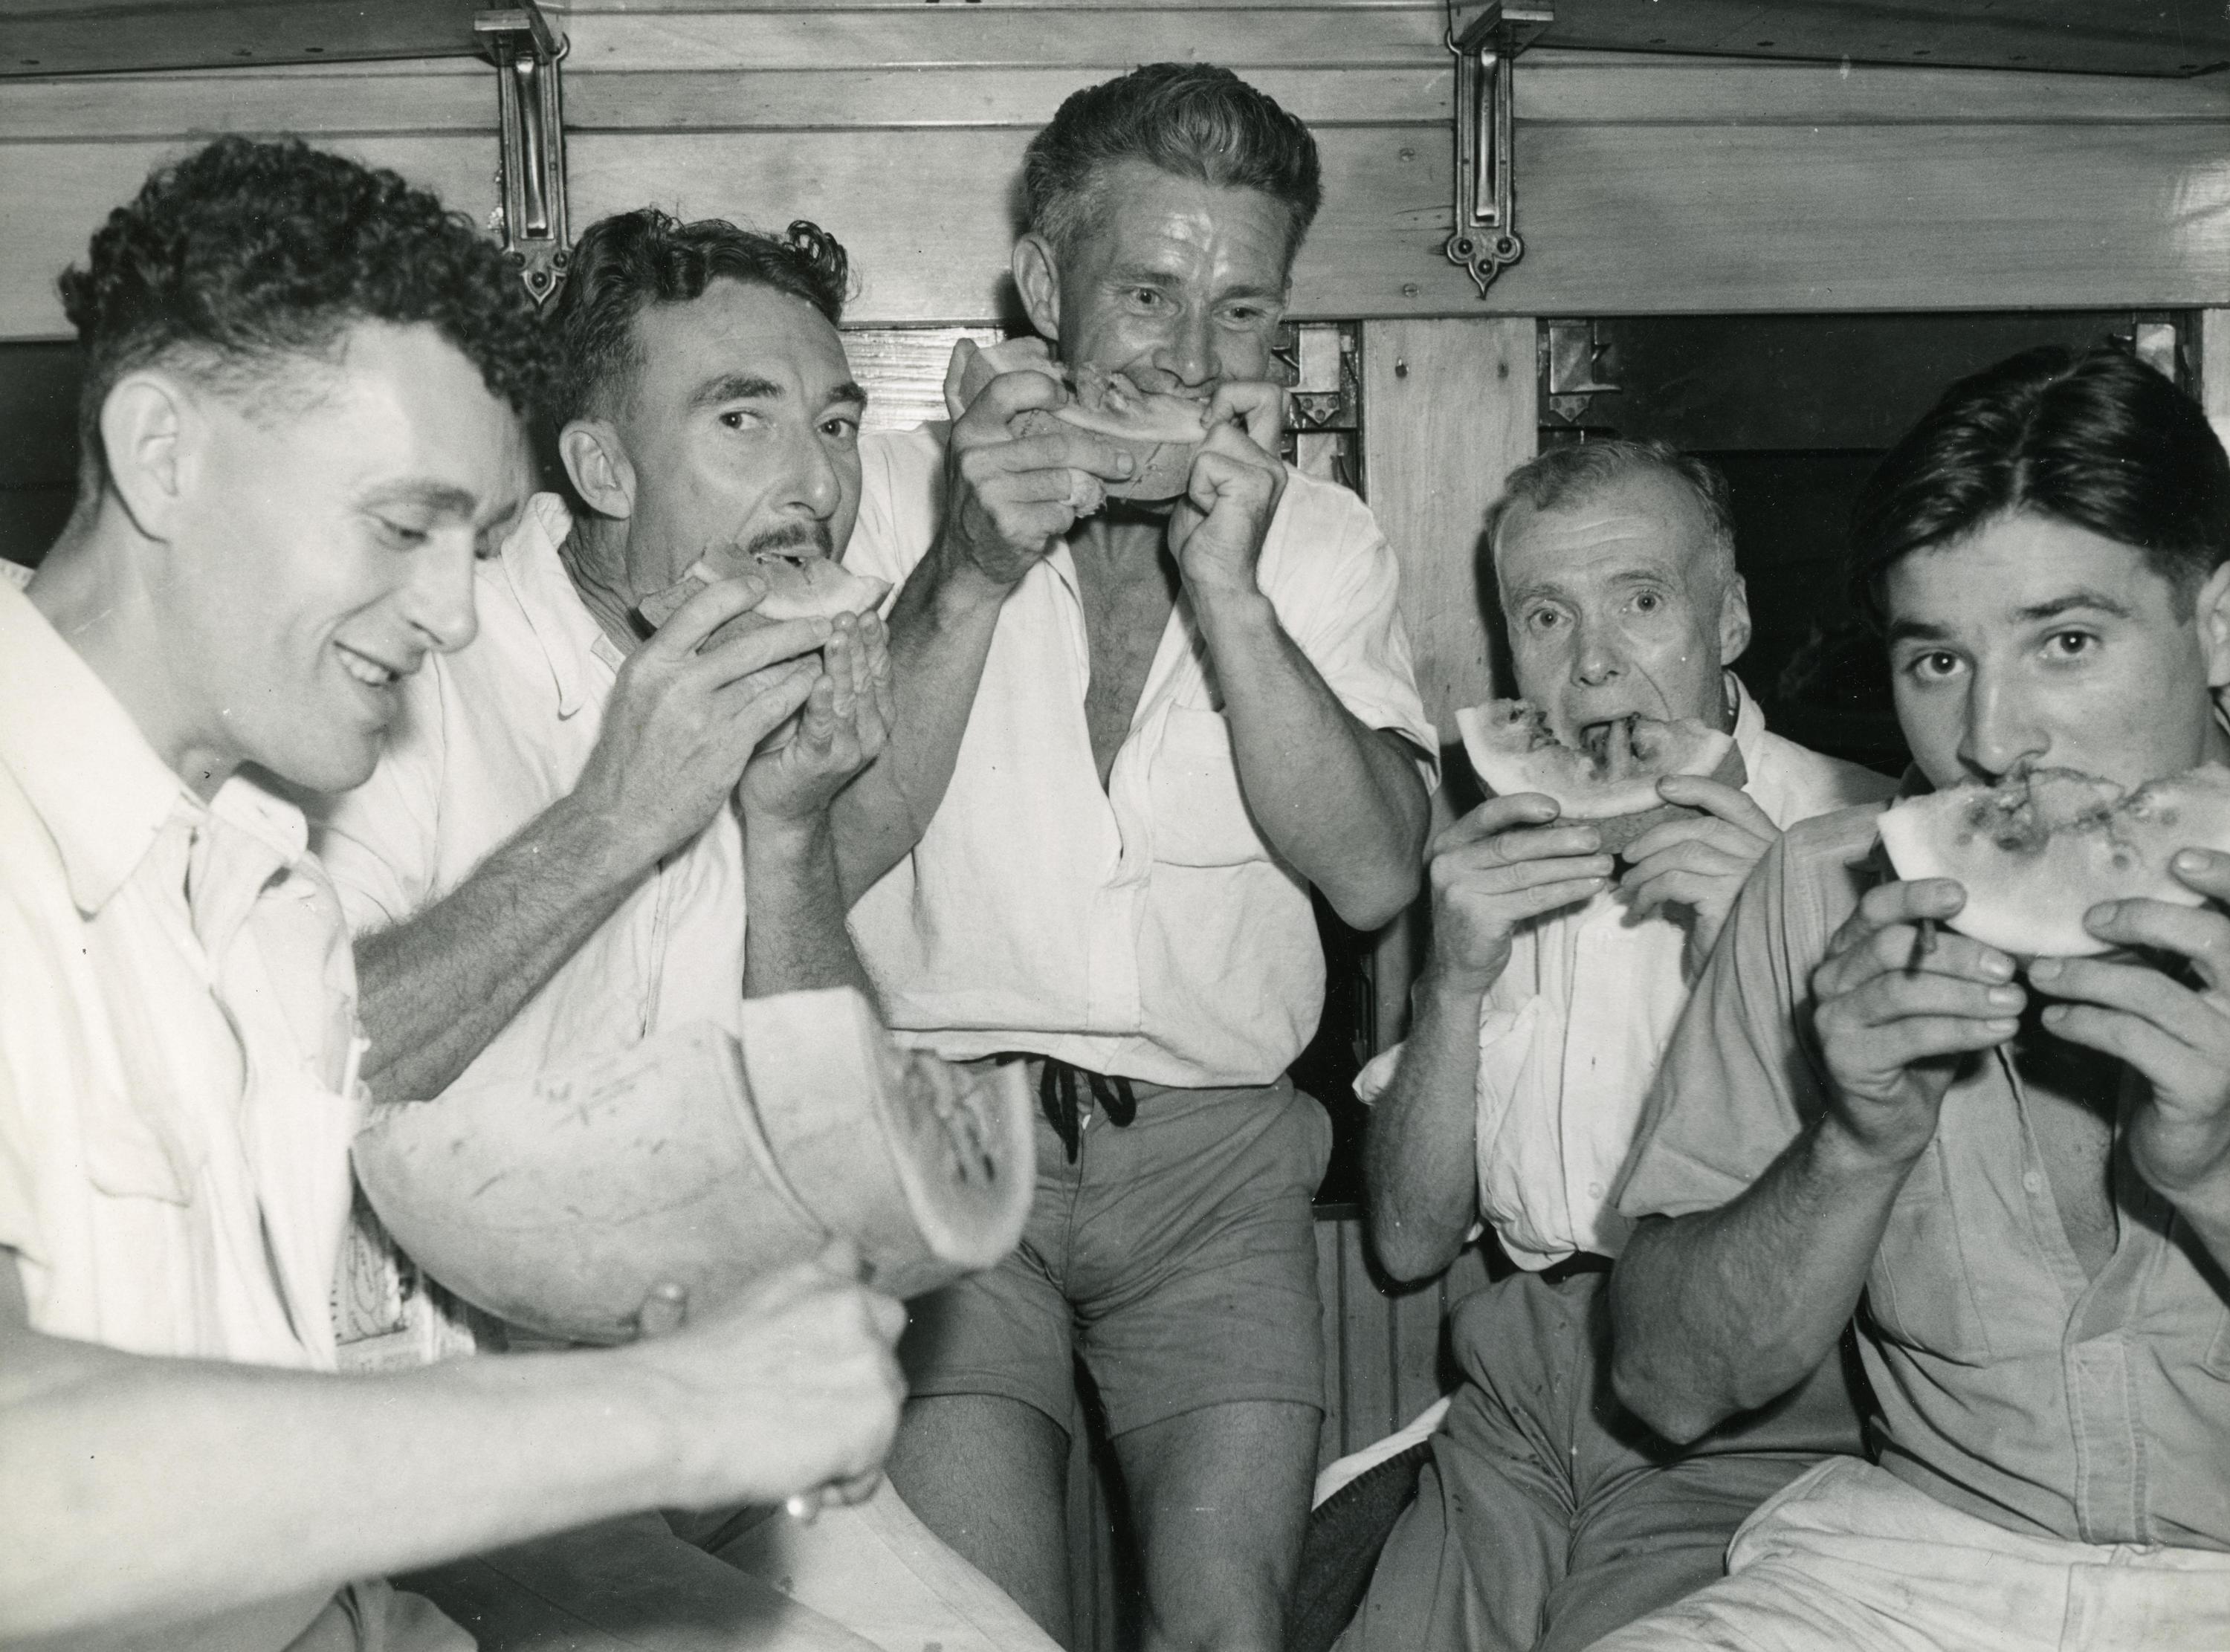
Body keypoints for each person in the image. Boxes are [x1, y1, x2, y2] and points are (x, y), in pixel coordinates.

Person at [0, 137, 905, 1652]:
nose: (454, 612)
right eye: (399, 525)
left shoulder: (252, 880)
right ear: (163, 456)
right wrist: (669, 1410)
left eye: (476, 544)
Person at [304, 206, 1056, 1651]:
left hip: (718, 1403)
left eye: (836, 426)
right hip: (454, 1433)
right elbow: (315, 1055)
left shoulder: (759, 661)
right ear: (601, 467)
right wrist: (618, 817)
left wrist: (789, 837)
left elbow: (836, 1137)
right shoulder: (421, 664)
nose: (818, 484)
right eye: (743, 420)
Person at [838, 61, 1438, 1647]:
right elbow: (814, 854)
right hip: (942, 1136)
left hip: (1222, 1164)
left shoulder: (1324, 541)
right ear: (1044, 288)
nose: (1191, 359)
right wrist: (969, 573)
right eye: (1151, 294)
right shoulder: (886, 501)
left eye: (1245, 312)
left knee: (1230, 1629)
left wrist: (1231, 588)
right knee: (976, 1631)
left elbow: (1378, 875)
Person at [1595, 345, 2230, 1650]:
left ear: (2219, 623)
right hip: (1913, 1575)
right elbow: (1663, 1382)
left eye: (2065, 642)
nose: (1993, 740)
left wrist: (2220, 1177)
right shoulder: (1818, 889)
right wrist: (1853, 1144)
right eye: (1937, 661)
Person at [1337, 441, 1896, 1651]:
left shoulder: (1865, 833)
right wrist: (1452, 983)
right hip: (1515, 1388)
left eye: (1641, 601)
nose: (1592, 662)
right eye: (1546, 616)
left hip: (1764, 1407)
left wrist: (1776, 948)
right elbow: (1410, 1241)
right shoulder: (1486, 853)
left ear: (1730, 616)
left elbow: (1926, 1219)